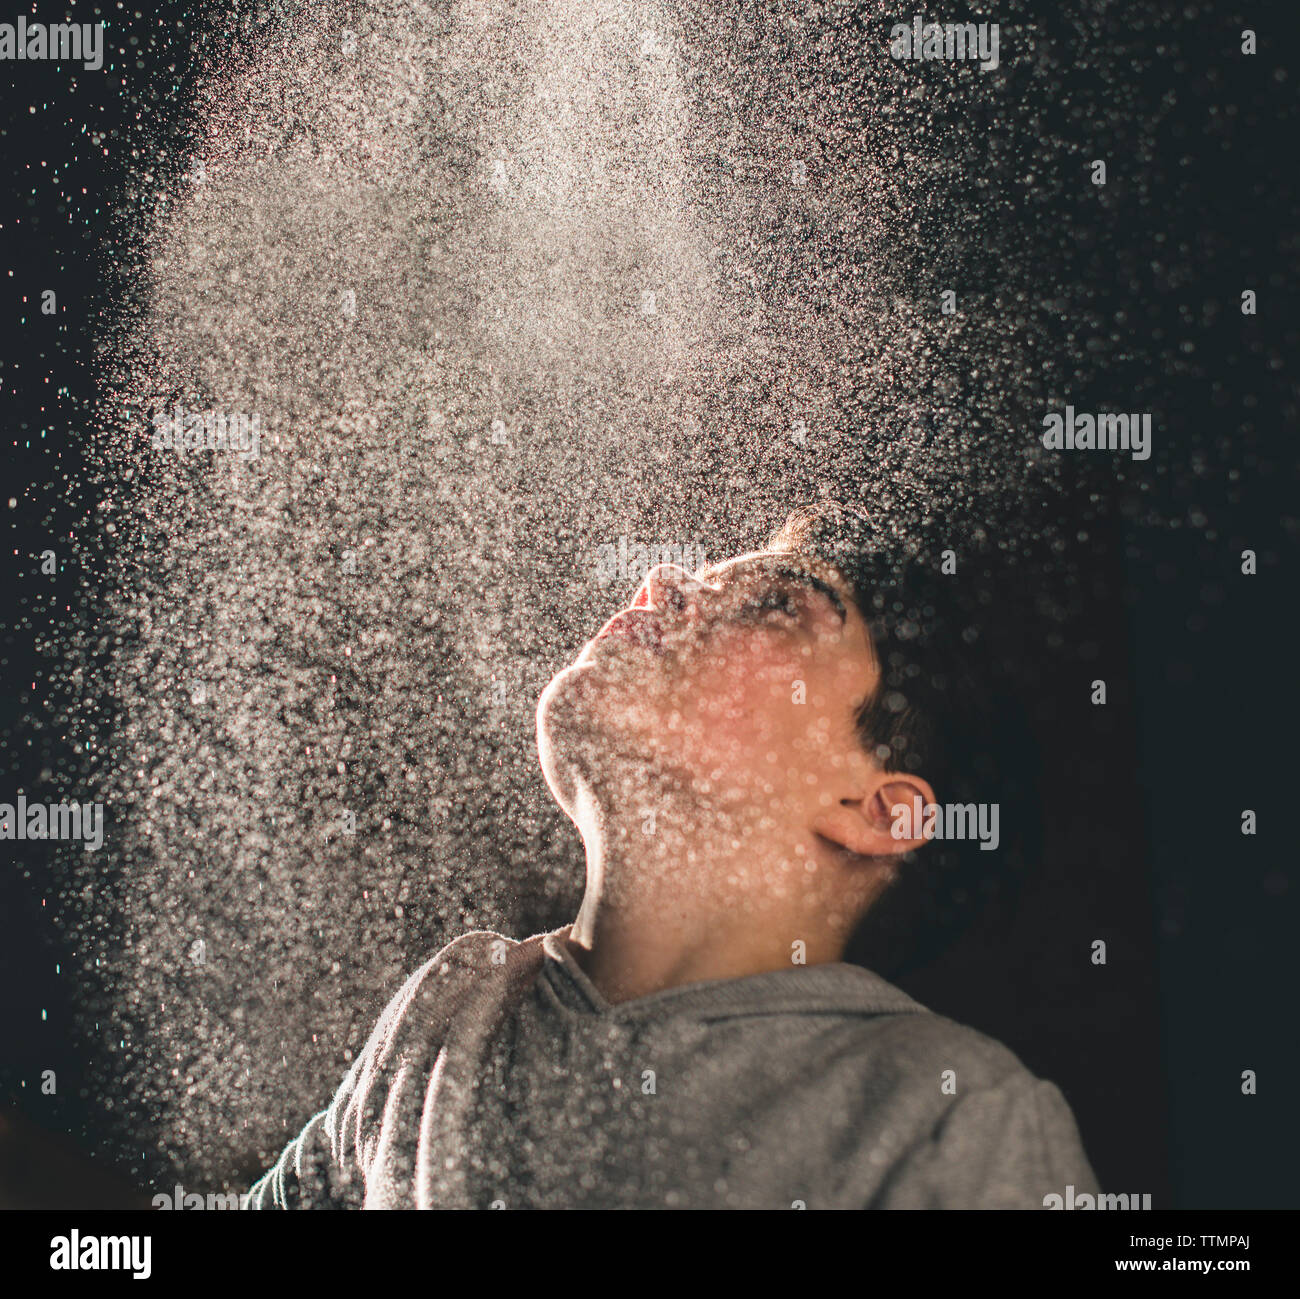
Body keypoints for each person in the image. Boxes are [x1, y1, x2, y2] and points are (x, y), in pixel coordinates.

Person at [245, 502, 1096, 1209]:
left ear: (876, 810)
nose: (660, 580)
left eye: (777, 603)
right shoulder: (448, 1016)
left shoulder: (950, 1115)